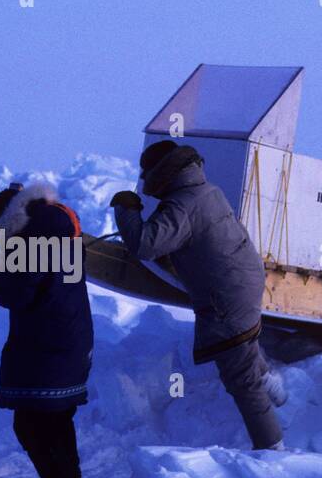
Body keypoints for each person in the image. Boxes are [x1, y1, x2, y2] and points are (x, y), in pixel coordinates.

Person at [110, 140, 285, 450]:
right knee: (242, 345)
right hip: (243, 283)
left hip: (227, 294)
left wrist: (127, 209)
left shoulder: (182, 205)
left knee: (240, 377)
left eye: (146, 172)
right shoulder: (205, 190)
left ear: (161, 173)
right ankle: (274, 387)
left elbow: (146, 244)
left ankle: (274, 451)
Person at [0, 181, 93, 478]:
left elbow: (13, 294)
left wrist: (0, 272)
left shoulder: (32, 235)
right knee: (57, 419)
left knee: (31, 424)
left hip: (46, 343)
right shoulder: (59, 223)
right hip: (69, 336)